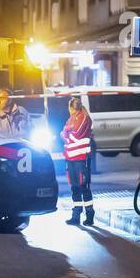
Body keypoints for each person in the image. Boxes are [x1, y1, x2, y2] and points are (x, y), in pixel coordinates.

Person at [61, 95, 95, 226]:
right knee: (74, 187)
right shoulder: (71, 118)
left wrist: (67, 132)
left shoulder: (84, 118)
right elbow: (65, 133)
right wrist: (67, 132)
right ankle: (76, 215)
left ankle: (89, 214)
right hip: (71, 157)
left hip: (81, 158)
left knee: (83, 187)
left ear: (71, 108)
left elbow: (75, 134)